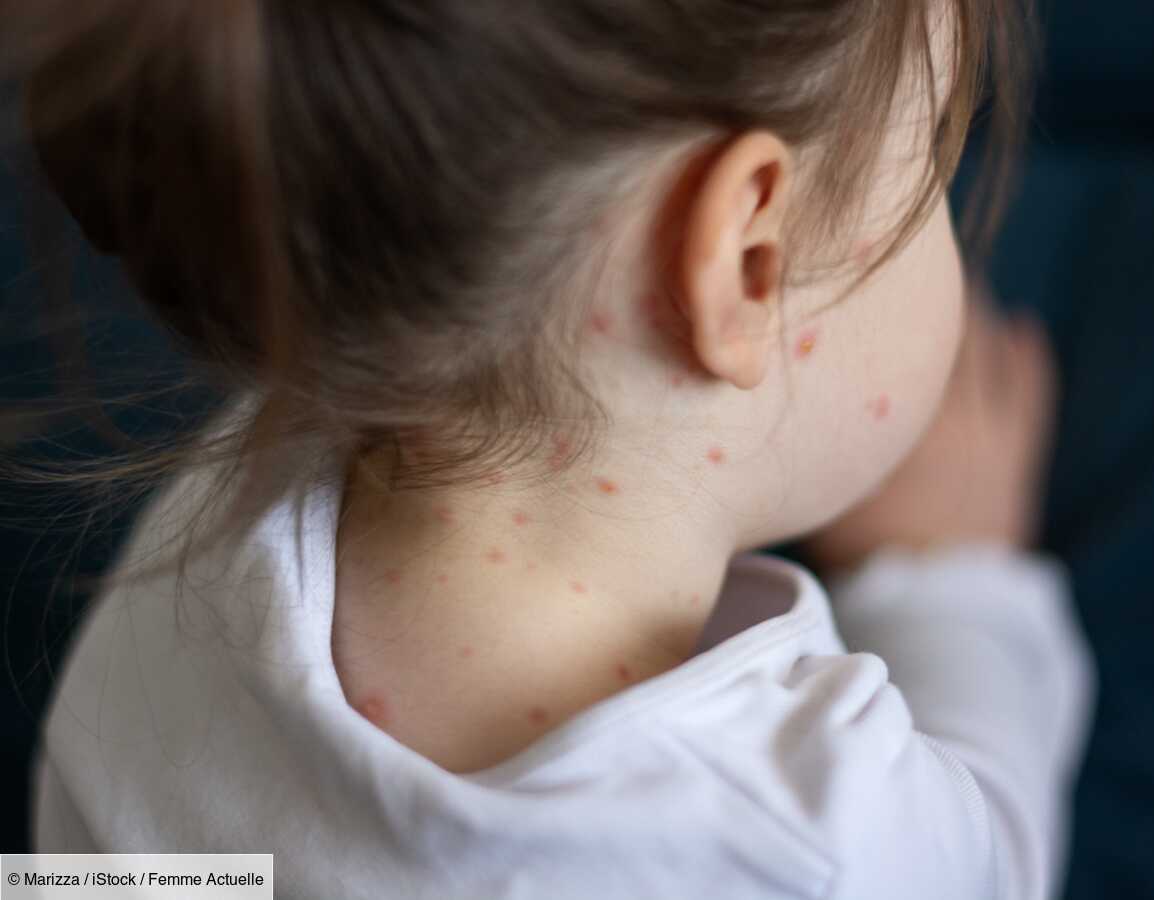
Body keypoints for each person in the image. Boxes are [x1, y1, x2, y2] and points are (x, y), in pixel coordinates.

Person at [6, 1, 1095, 897]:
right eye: (931, 174)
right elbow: (999, 854)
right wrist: (951, 585)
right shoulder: (825, 836)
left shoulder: (207, 520)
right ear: (747, 263)